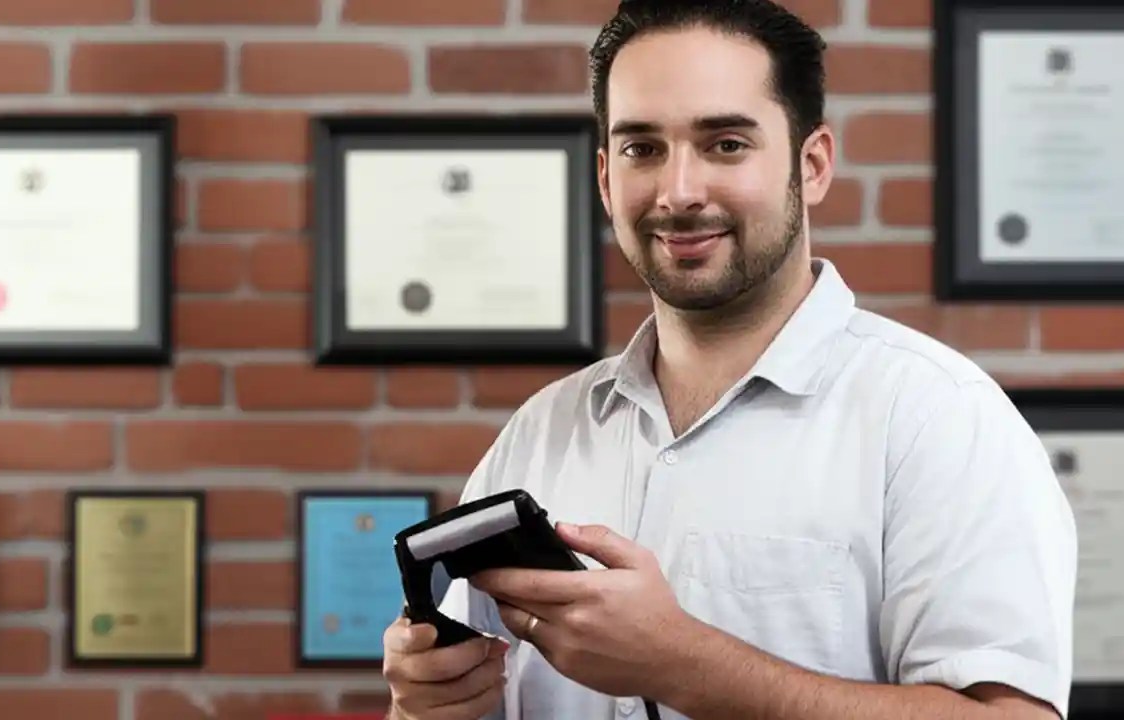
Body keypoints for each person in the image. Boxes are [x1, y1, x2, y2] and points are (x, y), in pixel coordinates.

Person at [380, 0, 1078, 718]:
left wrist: (683, 664)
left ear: (811, 166)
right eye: (641, 149)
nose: (679, 192)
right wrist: (425, 705)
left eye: (725, 145)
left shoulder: (938, 418)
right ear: (604, 179)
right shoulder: (542, 431)